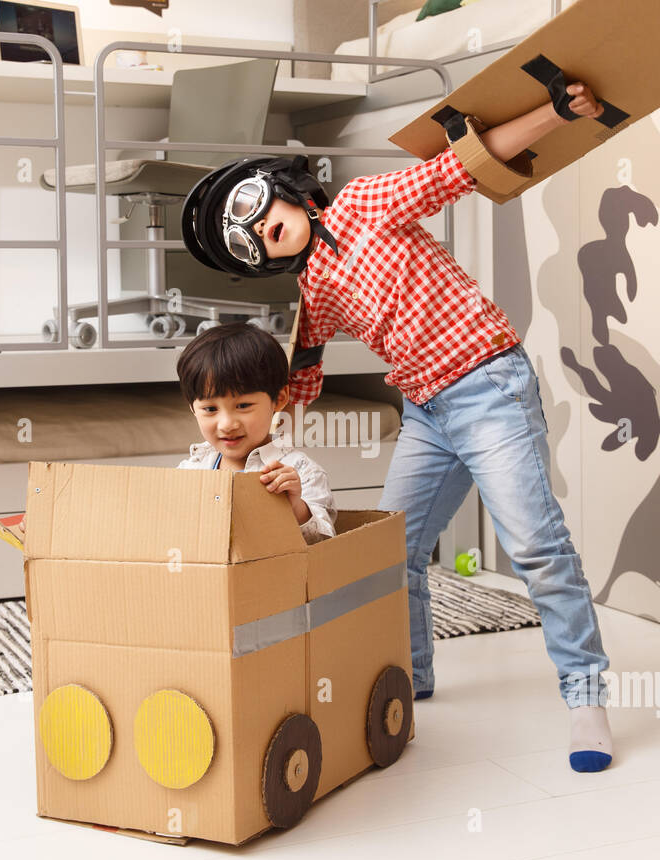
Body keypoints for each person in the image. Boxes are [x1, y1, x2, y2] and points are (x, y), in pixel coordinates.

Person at [181, 81, 615, 772]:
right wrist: (233, 417)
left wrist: (557, 112)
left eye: (253, 213)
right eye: (247, 243)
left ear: (281, 191)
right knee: (390, 553)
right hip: (428, 411)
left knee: (536, 546)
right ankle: (412, 680)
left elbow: (462, 167)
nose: (259, 231)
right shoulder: (312, 288)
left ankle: (586, 698)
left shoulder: (364, 205)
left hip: (487, 387)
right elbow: (300, 378)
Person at [175, 322, 336, 544]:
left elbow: (324, 544)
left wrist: (296, 507)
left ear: (279, 399)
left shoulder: (299, 471)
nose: (227, 424)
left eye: (243, 406)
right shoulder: (191, 470)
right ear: (193, 408)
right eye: (210, 409)